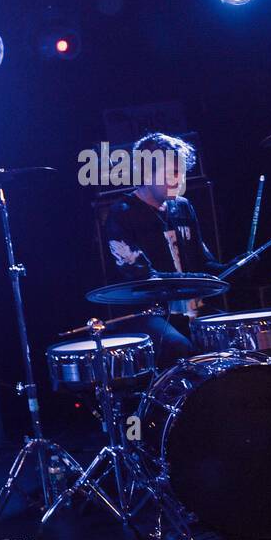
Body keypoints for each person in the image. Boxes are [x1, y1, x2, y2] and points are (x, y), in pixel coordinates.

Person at [103, 131, 224, 366]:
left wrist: (237, 266)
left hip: (190, 307)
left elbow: (204, 263)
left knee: (231, 334)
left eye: (181, 173)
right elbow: (143, 279)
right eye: (171, 173)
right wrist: (197, 279)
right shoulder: (122, 214)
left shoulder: (183, 207)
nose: (178, 180)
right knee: (178, 346)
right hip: (148, 314)